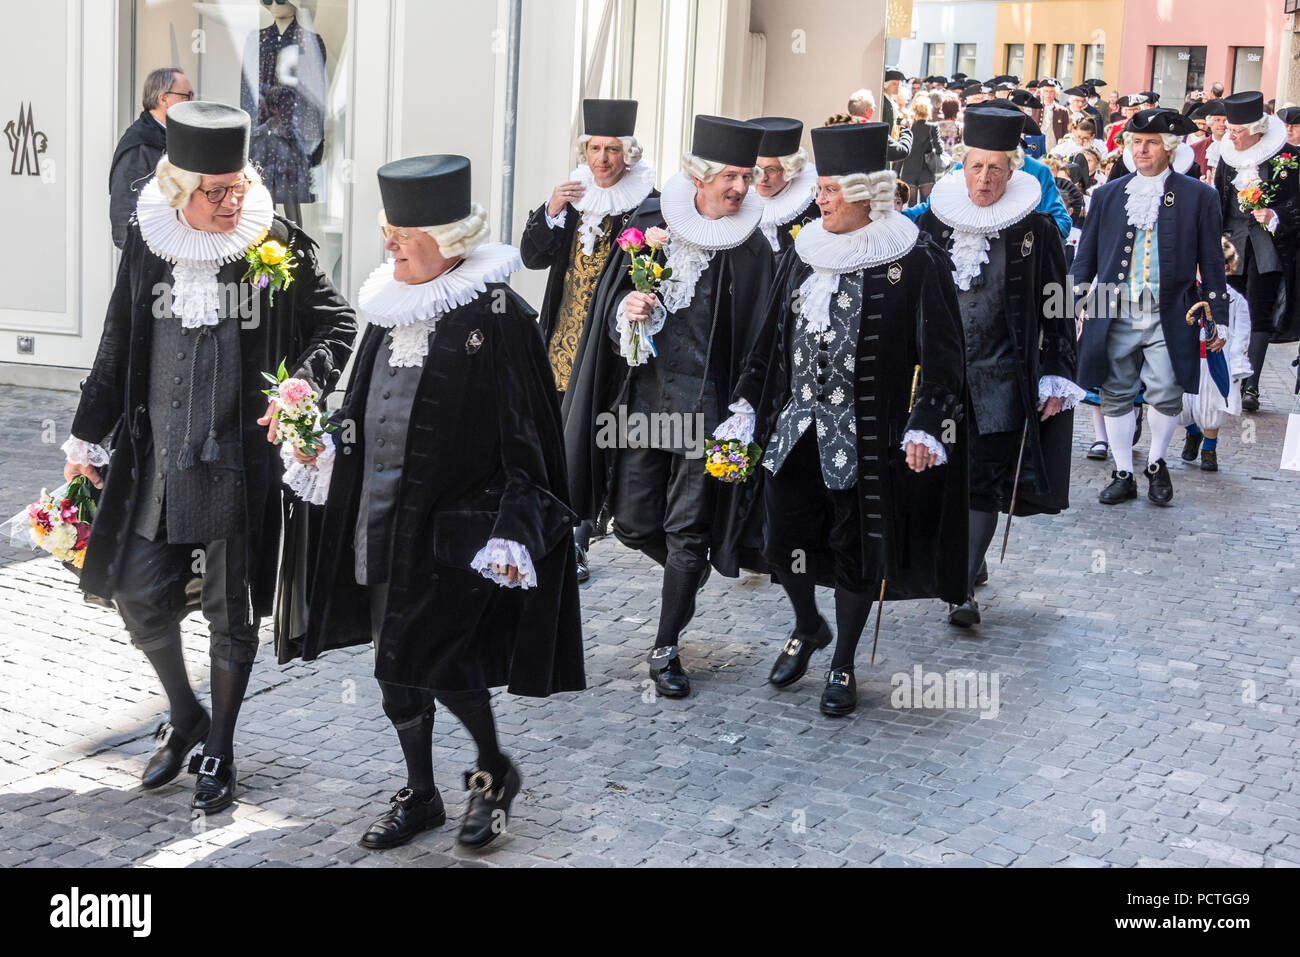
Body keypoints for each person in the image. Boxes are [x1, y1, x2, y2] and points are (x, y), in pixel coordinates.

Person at [61, 101, 357, 812]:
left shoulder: (273, 242)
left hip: (237, 462)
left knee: (232, 615)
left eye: (239, 186)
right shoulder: (148, 237)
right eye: (215, 192)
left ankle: (218, 744)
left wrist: (303, 380)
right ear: (177, 190)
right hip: (160, 458)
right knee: (135, 590)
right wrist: (84, 439)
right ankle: (184, 710)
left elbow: (338, 322)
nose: (232, 203)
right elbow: (116, 340)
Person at [289, 154, 585, 849]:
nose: (388, 242)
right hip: (382, 523)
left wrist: (514, 530)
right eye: (387, 229)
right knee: (395, 669)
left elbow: (530, 443)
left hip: (459, 537)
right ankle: (421, 793)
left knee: (445, 665)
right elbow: (361, 409)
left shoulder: (500, 319)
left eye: (402, 232)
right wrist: (321, 443)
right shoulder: (392, 307)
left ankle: (491, 770)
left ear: (448, 238)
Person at [713, 121, 967, 715]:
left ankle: (843, 662)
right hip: (795, 429)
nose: (818, 198)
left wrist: (926, 422)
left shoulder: (913, 259)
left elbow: (944, 356)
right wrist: (747, 406)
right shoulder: (804, 251)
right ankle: (808, 624)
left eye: (830, 188)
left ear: (864, 193)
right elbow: (770, 341)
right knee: (781, 541)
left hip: (866, 437)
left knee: (856, 549)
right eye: (820, 188)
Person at [564, 115, 774, 699]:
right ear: (700, 177)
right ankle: (688, 571)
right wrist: (623, 311)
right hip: (645, 405)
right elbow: (607, 311)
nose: (740, 187)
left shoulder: (754, 247)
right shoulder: (649, 223)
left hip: (707, 411)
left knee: (686, 530)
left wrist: (747, 406)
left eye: (747, 177)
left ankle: (665, 646)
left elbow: (763, 337)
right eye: (731, 176)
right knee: (631, 524)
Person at [916, 104, 1082, 626]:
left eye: (995, 168)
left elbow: (1056, 304)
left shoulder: (1035, 230)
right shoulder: (934, 224)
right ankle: (965, 560)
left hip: (1002, 379)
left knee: (982, 482)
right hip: (938, 380)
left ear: (1013, 172)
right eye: (974, 166)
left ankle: (961, 590)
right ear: (960, 167)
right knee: (942, 479)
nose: (984, 178)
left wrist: (1058, 372)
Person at [519, 98, 656, 582]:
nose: (603, 158)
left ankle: (578, 538)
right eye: (595, 147)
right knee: (552, 436)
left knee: (588, 441)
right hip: (559, 336)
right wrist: (551, 209)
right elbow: (533, 258)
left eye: (613, 149)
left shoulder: (646, 205)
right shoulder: (573, 199)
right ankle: (549, 529)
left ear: (628, 153)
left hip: (604, 347)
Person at [1072, 108, 1229, 507]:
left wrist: (1219, 317)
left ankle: (1157, 464)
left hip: (1171, 310)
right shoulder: (1108, 194)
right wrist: (1072, 303)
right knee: (1115, 391)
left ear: (1170, 148)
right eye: (1136, 142)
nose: (1142, 149)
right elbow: (1085, 255)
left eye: (1152, 142)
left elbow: (1212, 261)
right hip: (1115, 309)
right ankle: (1123, 471)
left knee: (1166, 391)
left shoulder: (1200, 196)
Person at [1214, 91, 1300, 410]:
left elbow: (1297, 203)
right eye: (1230, 130)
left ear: (1257, 130)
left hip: (1267, 245)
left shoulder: (1286, 157)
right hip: (1230, 243)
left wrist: (1275, 214)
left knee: (1259, 310)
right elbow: (1219, 200)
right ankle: (1227, 377)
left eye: (1237, 132)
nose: (1231, 136)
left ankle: (1251, 385)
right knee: (1228, 307)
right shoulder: (1226, 156)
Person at [904, 100, 1072, 239]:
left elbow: (1062, 222)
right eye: (977, 166)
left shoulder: (1037, 171)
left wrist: (1029, 229)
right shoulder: (961, 168)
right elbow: (932, 207)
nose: (983, 176)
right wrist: (895, 218)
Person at [1178, 238, 1253, 472]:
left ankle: (1209, 448)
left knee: (1212, 408)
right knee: (1181, 406)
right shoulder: (1186, 294)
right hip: (1188, 358)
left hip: (1215, 361)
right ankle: (1192, 434)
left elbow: (1241, 333)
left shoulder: (1235, 300)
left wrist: (1238, 363)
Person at [109, 67, 193, 249]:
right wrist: (142, 259)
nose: (192, 102)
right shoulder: (139, 144)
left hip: (179, 248)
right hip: (153, 256)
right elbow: (123, 213)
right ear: (163, 99)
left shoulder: (178, 138)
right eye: (186, 96)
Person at [748, 116, 820, 253]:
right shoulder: (737, 198)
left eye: (771, 169)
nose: (762, 178)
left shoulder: (813, 201)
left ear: (790, 169)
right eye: (756, 168)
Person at [898, 98, 942, 205]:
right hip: (926, 171)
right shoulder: (933, 128)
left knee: (911, 205)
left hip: (909, 171)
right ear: (928, 111)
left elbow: (902, 150)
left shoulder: (909, 128)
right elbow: (939, 149)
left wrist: (896, 172)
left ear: (915, 111)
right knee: (926, 205)